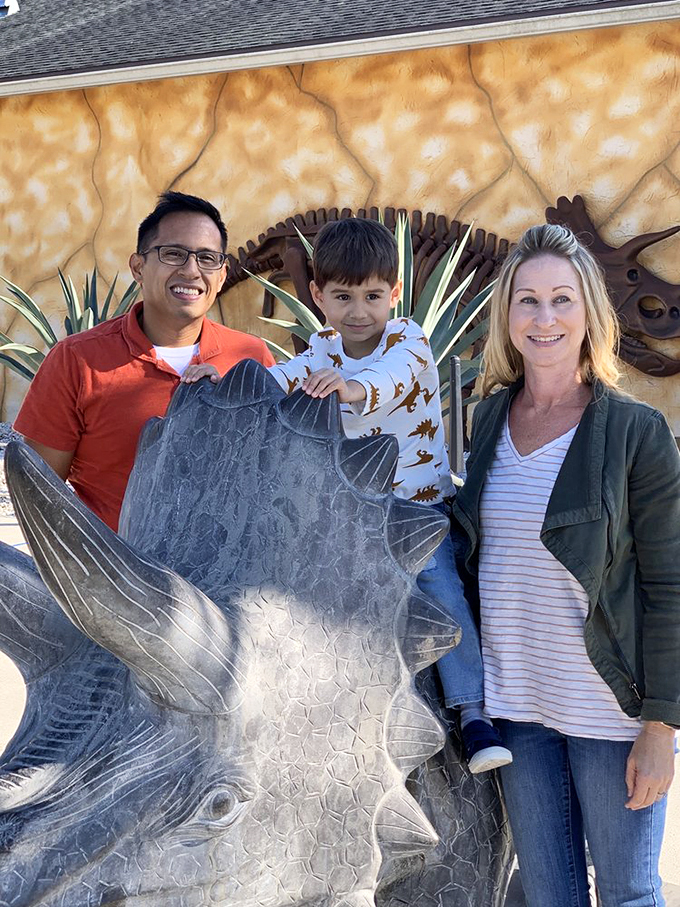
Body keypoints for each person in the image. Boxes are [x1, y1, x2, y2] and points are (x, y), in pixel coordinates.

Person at [452, 223, 680, 905]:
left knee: (629, 893)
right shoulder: (485, 418)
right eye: (528, 300)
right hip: (517, 709)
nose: (544, 317)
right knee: (549, 895)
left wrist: (662, 726)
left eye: (561, 299)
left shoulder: (636, 431)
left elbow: (670, 587)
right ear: (507, 315)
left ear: (589, 312)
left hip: (612, 714)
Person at [268, 217, 512, 773]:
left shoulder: (411, 340)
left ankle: (473, 714)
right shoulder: (322, 350)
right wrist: (223, 377)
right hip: (355, 517)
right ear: (318, 296)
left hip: (418, 515)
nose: (359, 311)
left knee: (442, 596)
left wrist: (349, 390)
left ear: (395, 294)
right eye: (343, 296)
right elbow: (278, 381)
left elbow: (393, 380)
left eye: (374, 295)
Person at [14, 191, 274, 531]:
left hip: (227, 578)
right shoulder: (77, 360)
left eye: (208, 258)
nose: (192, 270)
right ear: (139, 266)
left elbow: (272, 475)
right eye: (174, 254)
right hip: (117, 575)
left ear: (222, 275)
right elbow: (38, 495)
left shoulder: (250, 358)